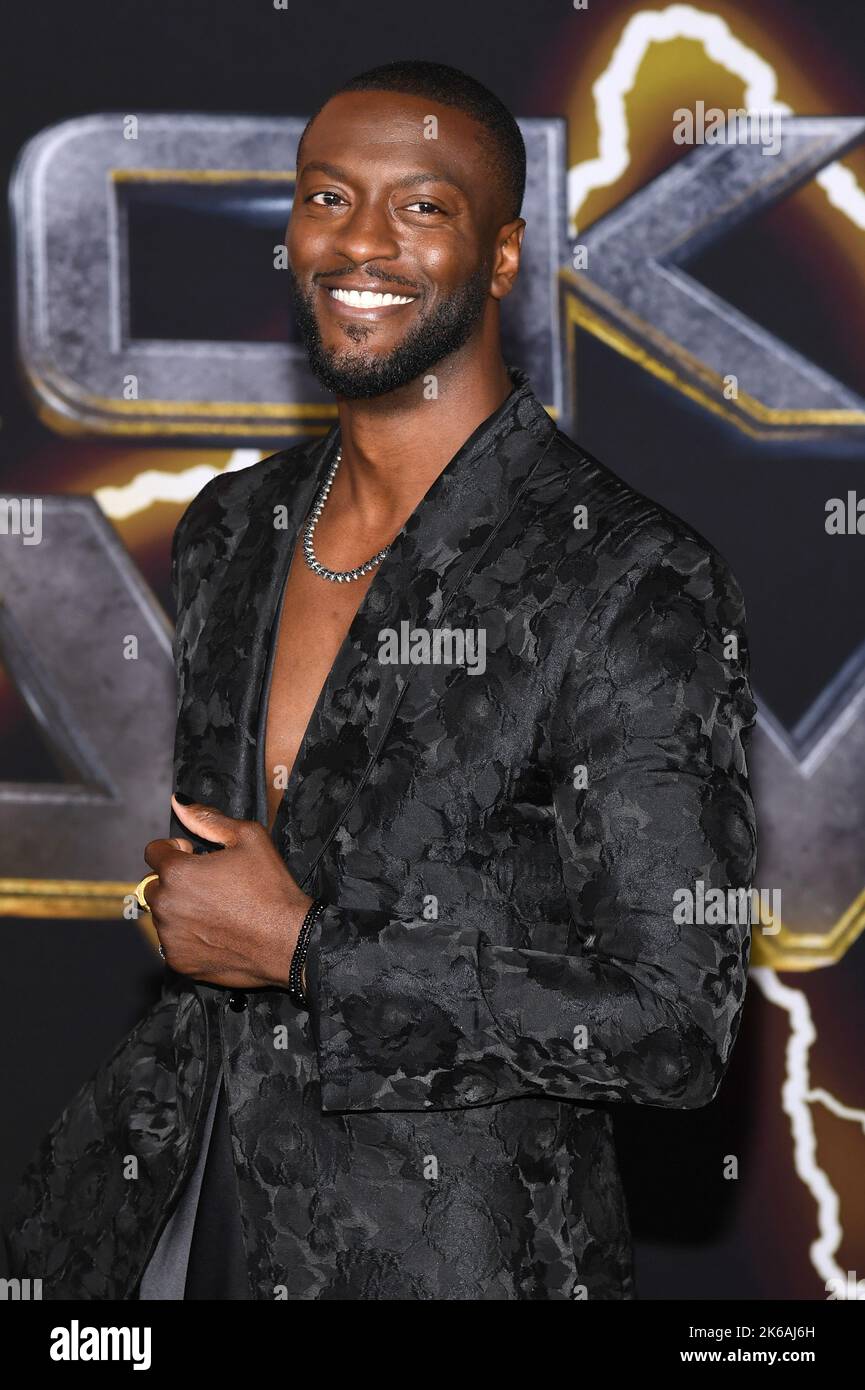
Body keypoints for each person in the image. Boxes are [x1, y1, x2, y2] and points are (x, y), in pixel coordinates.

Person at [4, 59, 757, 1301]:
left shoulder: (630, 577)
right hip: (177, 1221)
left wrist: (302, 946)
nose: (360, 240)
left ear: (503, 256)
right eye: (326, 197)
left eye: (421, 206)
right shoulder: (230, 530)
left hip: (447, 1264)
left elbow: (673, 1027)